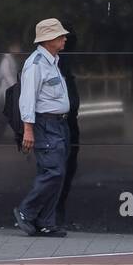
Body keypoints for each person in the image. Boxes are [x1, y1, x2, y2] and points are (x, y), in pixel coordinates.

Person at [13, 18, 72, 238]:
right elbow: (27, 99)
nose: (64, 39)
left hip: (58, 124)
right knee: (53, 172)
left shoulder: (52, 61)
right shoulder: (36, 63)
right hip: (44, 125)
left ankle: (46, 222)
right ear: (49, 40)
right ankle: (26, 212)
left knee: (56, 173)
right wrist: (28, 129)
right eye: (60, 36)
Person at [54, 24, 81, 230]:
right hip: (56, 124)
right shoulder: (44, 64)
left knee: (65, 168)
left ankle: (53, 212)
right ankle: (45, 213)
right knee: (55, 171)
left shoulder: (61, 63)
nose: (64, 41)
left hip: (68, 123)